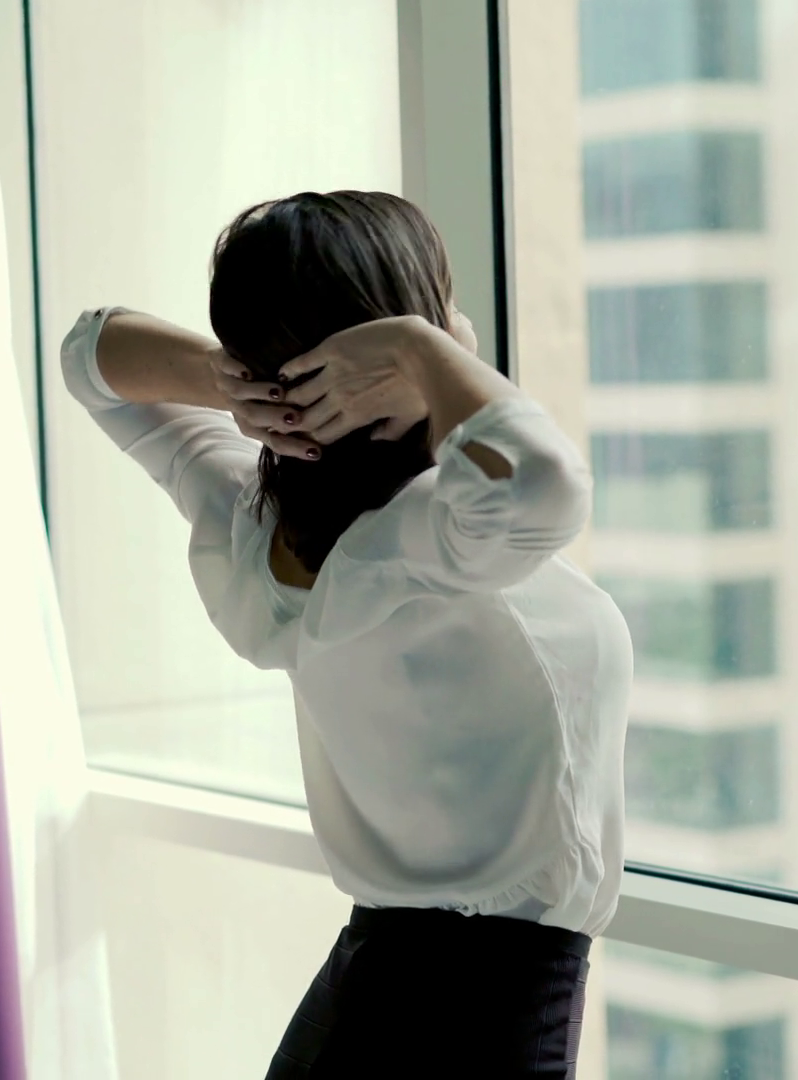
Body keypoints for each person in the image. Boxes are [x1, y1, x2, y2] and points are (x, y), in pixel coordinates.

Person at [60, 190, 631, 1077]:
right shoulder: (436, 534)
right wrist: (419, 348)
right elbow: (546, 479)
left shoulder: (258, 532)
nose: (456, 323)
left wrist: (234, 381)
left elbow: (89, 358)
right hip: (486, 1018)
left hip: (365, 991)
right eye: (437, 304)